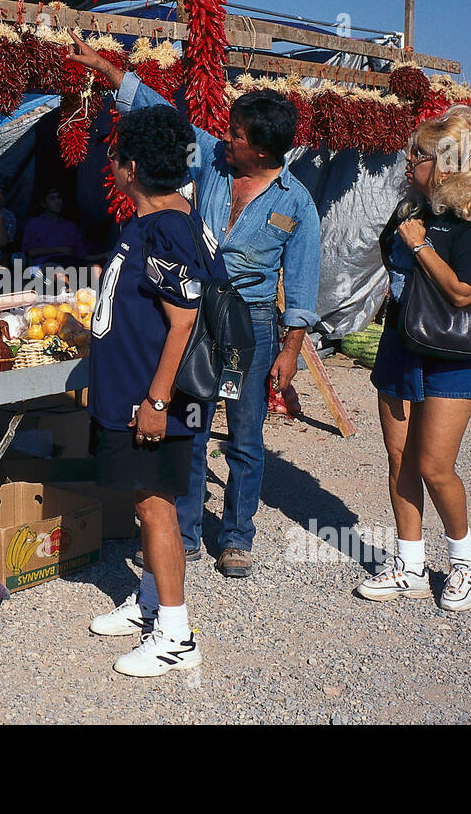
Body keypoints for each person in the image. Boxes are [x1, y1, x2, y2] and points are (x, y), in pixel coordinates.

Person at [68, 33, 321, 579]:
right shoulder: (213, 160)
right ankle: (179, 533)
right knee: (191, 425)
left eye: (236, 135)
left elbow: (301, 287)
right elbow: (168, 119)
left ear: (263, 149)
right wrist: (113, 76)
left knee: (246, 433)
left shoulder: (295, 202)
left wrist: (291, 351)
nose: (224, 139)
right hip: (193, 311)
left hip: (248, 322)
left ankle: (236, 535)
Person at [86, 104, 224, 677]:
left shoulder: (168, 226)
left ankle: (175, 635)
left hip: (154, 400)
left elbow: (185, 318)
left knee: (155, 507)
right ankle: (148, 601)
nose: (113, 168)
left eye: (117, 158)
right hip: (138, 395)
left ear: (133, 167)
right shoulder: (160, 222)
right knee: (147, 510)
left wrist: (158, 400)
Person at [356, 105, 471, 612]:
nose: (407, 162)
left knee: (435, 465)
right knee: (399, 459)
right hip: (402, 344)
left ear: (445, 165)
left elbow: (464, 294)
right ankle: (410, 564)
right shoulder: (409, 212)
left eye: (417, 154)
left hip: (454, 352)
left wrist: (420, 249)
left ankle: (465, 560)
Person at [20, 187, 102, 288]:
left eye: (59, 198)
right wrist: (60, 249)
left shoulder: (70, 226)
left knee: (96, 269)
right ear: (43, 204)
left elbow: (82, 255)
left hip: (71, 261)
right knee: (59, 273)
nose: (57, 201)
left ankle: (100, 301)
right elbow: (31, 252)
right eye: (52, 198)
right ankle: (69, 300)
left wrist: (103, 255)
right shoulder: (34, 224)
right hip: (47, 263)